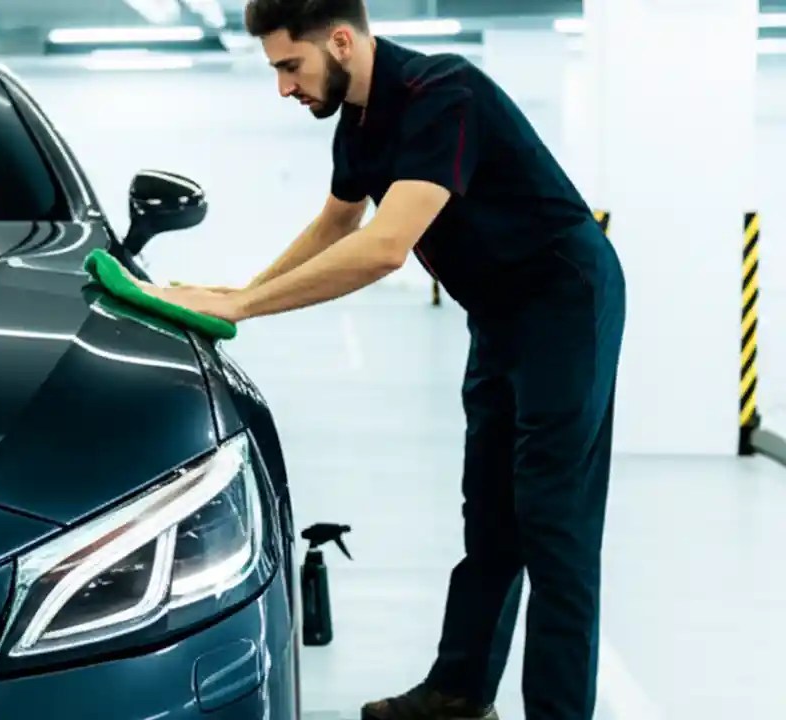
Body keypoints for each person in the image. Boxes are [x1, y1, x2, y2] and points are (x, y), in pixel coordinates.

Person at [138, 1, 627, 719]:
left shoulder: (443, 95)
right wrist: (238, 291)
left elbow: (382, 247)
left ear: (341, 40)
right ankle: (460, 693)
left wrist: (243, 308)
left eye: (290, 66)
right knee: (490, 514)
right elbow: (337, 224)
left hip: (565, 301)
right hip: (498, 312)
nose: (283, 87)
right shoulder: (359, 125)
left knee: (555, 525)